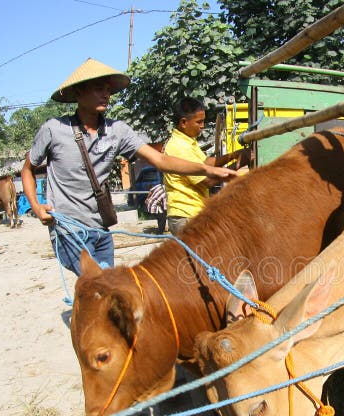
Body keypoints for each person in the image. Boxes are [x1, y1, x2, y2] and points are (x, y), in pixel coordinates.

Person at [20, 58, 239, 276]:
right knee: (100, 284)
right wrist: (36, 207)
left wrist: (207, 169)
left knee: (103, 289)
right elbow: (27, 169)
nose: (106, 95)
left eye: (108, 90)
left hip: (101, 228)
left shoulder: (117, 131)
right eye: (98, 89)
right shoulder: (54, 129)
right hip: (69, 230)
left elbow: (160, 160)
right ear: (78, 93)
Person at [163, 97, 246, 235]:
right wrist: (239, 164)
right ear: (184, 122)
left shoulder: (188, 142)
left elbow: (206, 163)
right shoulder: (179, 147)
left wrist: (233, 155)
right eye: (199, 122)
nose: (203, 126)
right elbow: (207, 181)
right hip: (186, 215)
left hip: (192, 213)